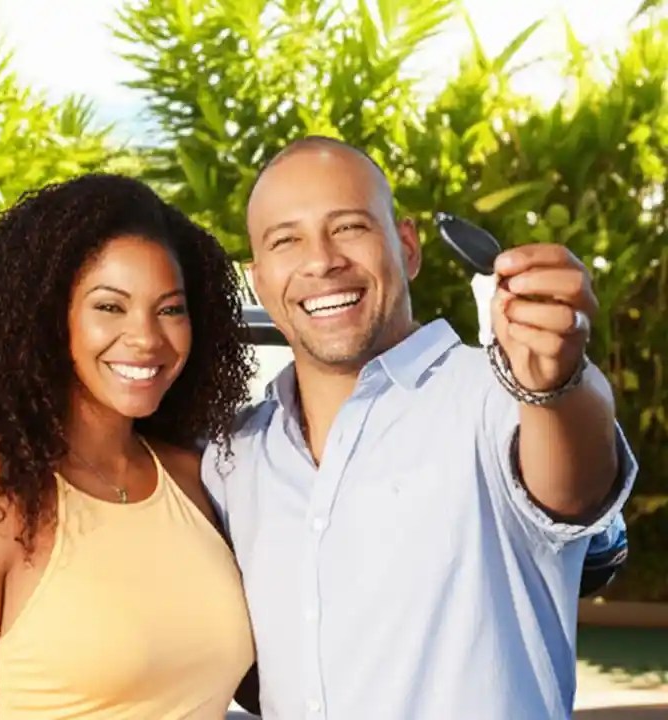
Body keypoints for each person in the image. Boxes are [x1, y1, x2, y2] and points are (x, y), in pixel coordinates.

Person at [202, 136, 638, 719]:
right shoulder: (234, 458)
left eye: (349, 227)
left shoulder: (494, 399)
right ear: (258, 280)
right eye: (286, 240)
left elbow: (575, 482)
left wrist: (556, 381)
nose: (321, 260)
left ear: (407, 247)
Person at [0, 173, 259, 719]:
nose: (146, 338)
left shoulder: (195, 477)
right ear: (52, 318)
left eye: (170, 309)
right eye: (110, 307)